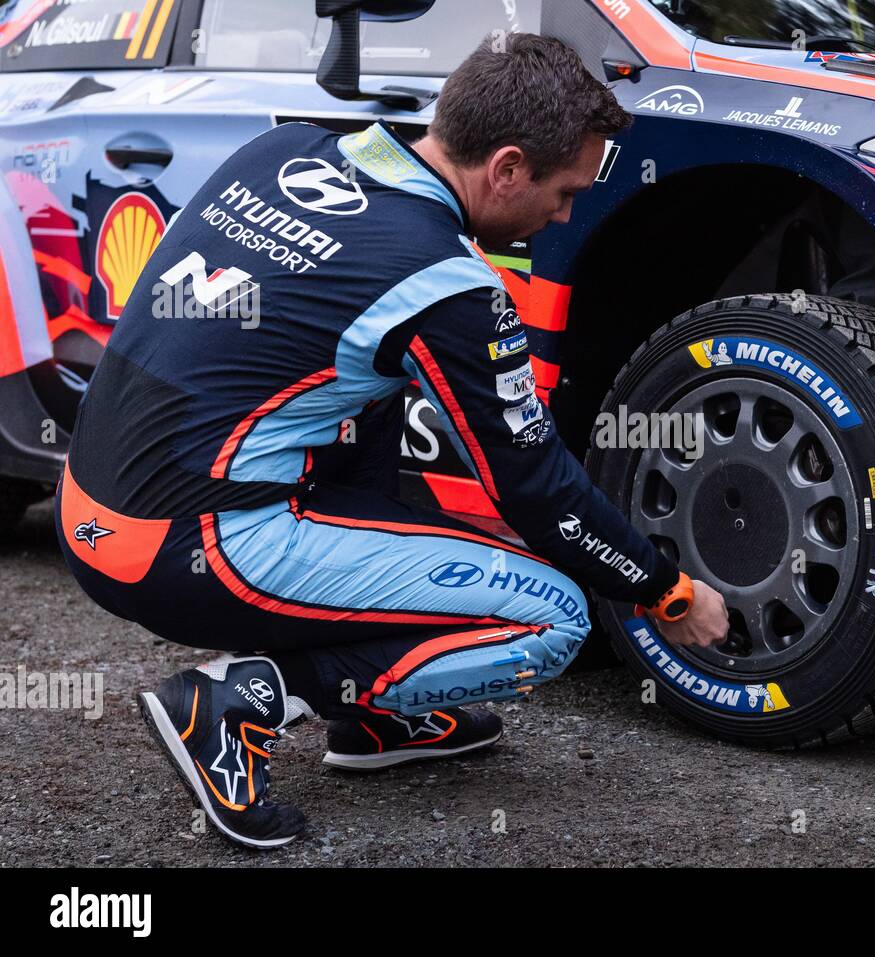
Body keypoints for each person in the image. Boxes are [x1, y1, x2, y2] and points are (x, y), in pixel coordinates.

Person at [56, 33, 729, 850]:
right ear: (506, 168)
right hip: (190, 543)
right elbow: (537, 488)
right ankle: (243, 700)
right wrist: (665, 589)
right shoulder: (446, 282)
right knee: (551, 612)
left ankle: (373, 716)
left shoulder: (284, 149)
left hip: (90, 511)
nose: (563, 214)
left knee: (367, 421)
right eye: (561, 192)